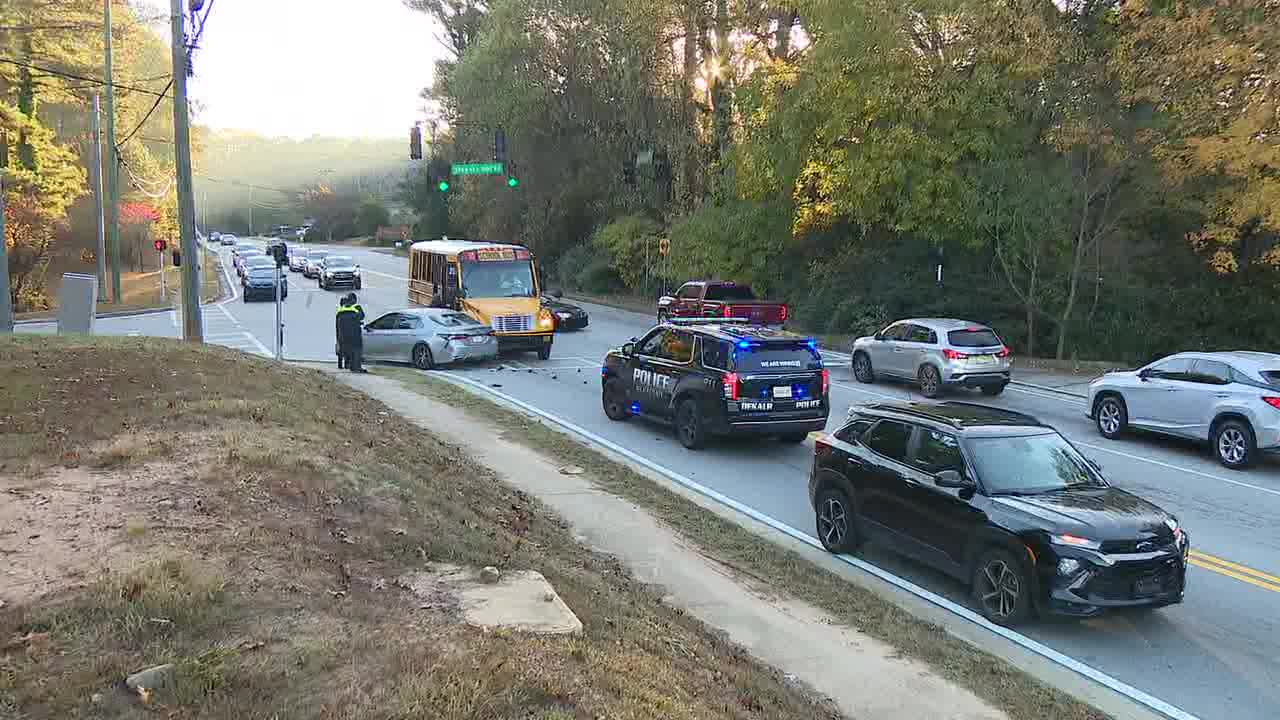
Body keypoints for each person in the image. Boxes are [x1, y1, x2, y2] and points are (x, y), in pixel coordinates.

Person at [335, 293, 367, 373]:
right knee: (357, 350)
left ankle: (347, 364)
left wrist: (338, 337)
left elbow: (337, 324)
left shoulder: (340, 310)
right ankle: (356, 367)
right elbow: (362, 316)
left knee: (347, 349)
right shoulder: (357, 308)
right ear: (354, 300)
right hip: (354, 333)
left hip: (343, 334)